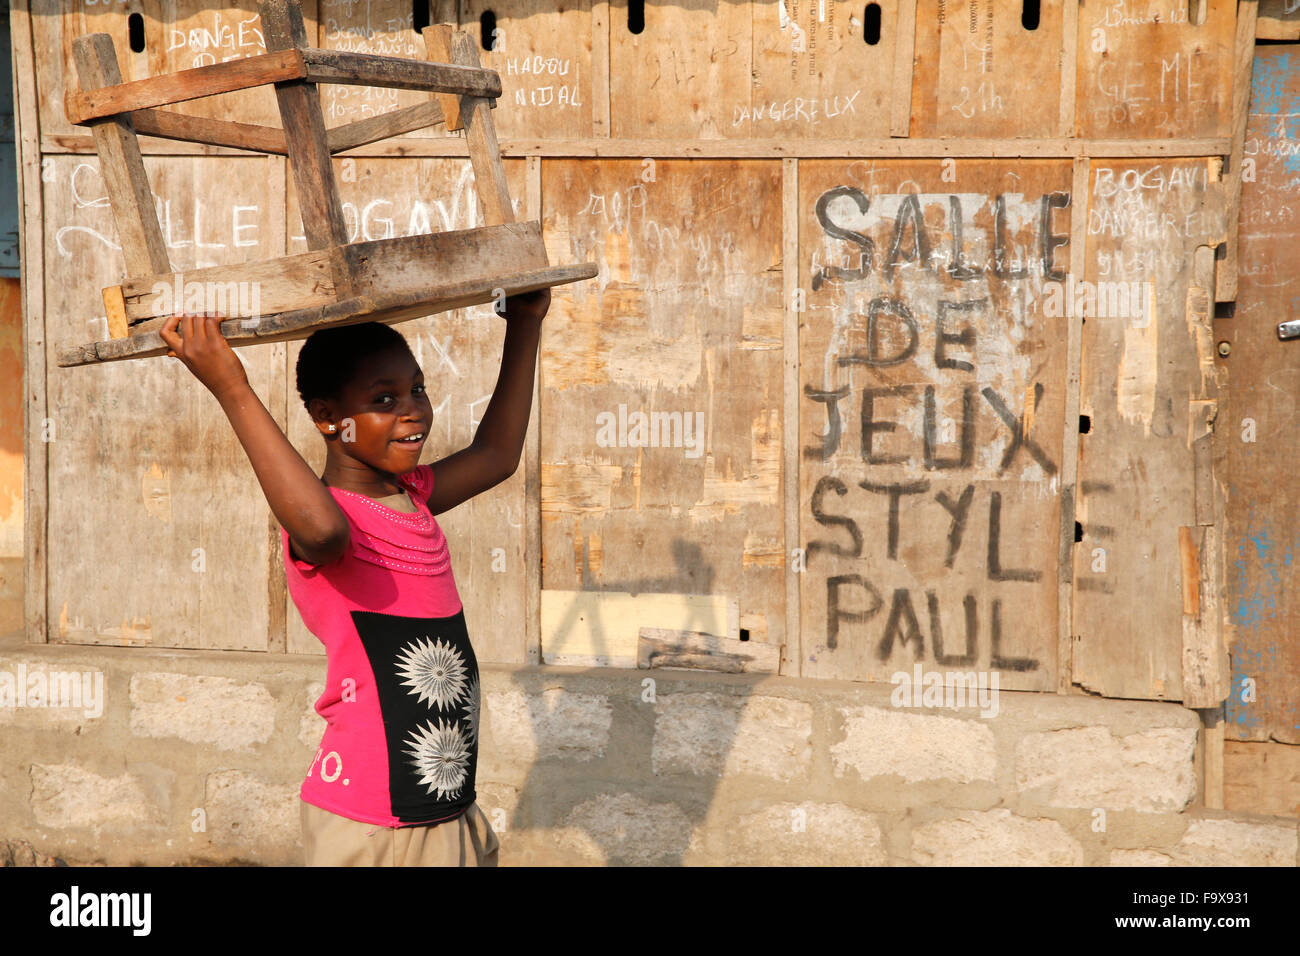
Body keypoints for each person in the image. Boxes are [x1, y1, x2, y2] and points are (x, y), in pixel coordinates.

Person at [159, 288, 552, 865]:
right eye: (384, 399)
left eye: (417, 388)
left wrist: (524, 322)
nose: (412, 409)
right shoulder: (327, 524)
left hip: (444, 803)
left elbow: (497, 453)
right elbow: (320, 528)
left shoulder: (414, 497)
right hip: (374, 820)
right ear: (326, 418)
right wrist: (230, 385)